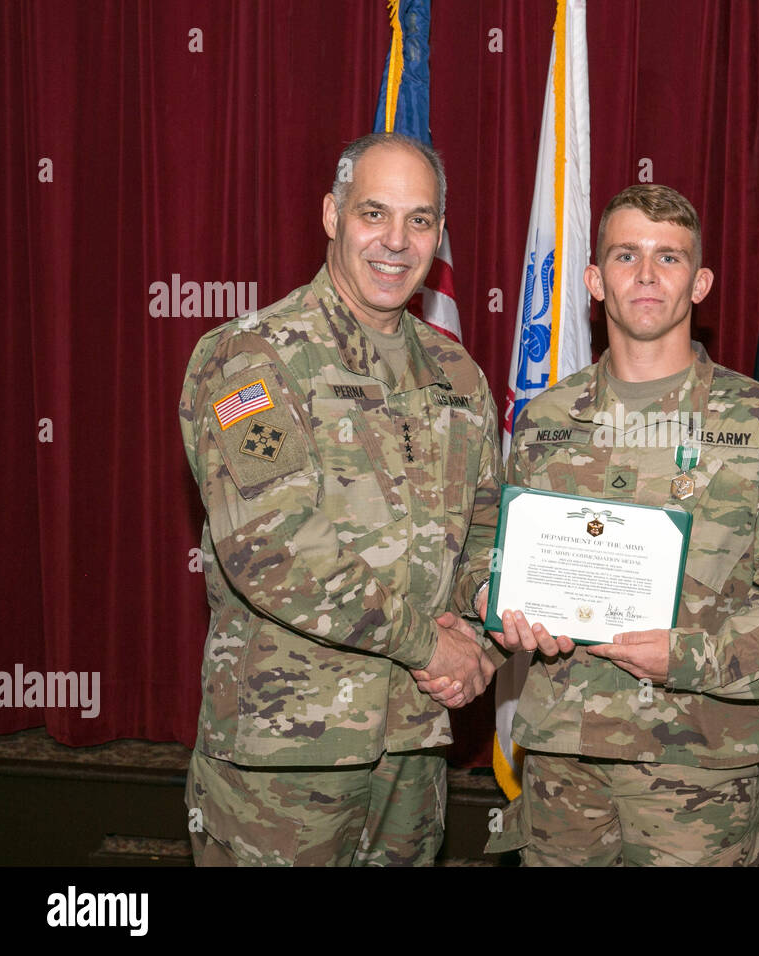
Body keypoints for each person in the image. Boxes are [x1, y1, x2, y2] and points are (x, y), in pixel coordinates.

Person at [482, 184, 759, 866]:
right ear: (595, 281)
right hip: (562, 761)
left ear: (700, 283)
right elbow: (500, 562)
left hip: (698, 767)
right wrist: (502, 613)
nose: (646, 274)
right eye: (626, 255)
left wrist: (688, 657)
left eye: (669, 257)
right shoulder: (544, 422)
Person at [179, 132, 502, 866]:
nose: (396, 241)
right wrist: (433, 645)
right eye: (373, 213)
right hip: (287, 755)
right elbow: (275, 551)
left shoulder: (456, 372)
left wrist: (485, 633)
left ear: (439, 234)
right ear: (332, 215)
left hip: (414, 745)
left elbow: (483, 534)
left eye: (420, 220)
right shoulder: (253, 358)